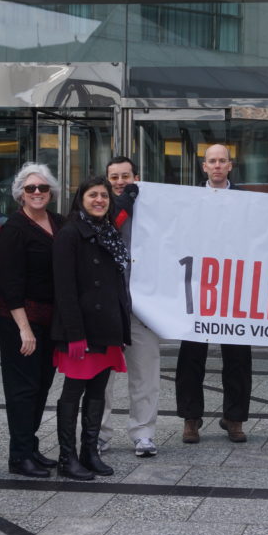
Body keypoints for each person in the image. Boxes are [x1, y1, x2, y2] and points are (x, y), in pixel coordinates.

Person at [52, 176, 134, 480]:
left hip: (107, 327)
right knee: (73, 391)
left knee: (98, 390)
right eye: (93, 195)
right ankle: (66, 456)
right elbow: (64, 288)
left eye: (103, 195)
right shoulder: (70, 233)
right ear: (81, 199)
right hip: (81, 330)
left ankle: (90, 451)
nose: (99, 200)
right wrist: (74, 333)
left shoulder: (109, 231)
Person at [176, 144, 254, 443]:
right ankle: (190, 419)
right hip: (198, 284)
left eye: (223, 161)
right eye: (212, 161)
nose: (218, 166)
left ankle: (234, 419)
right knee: (191, 355)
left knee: (237, 355)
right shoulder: (188, 200)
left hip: (235, 286)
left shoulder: (247, 201)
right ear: (204, 167)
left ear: (230, 166)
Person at [0, 162, 64, 478]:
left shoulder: (60, 224)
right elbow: (9, 284)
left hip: (52, 321)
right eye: (30, 188)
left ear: (51, 192)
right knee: (22, 389)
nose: (37, 193)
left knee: (41, 386)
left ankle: (31, 446)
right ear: (20, 194)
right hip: (22, 321)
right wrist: (24, 329)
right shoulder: (13, 229)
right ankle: (18, 455)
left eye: (43, 188)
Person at [99, 156, 160, 458]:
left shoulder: (152, 210)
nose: (120, 182)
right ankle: (98, 433)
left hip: (142, 305)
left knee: (145, 371)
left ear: (137, 176)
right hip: (109, 304)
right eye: (114, 177)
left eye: (126, 176)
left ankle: (144, 433)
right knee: (101, 374)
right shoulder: (98, 210)